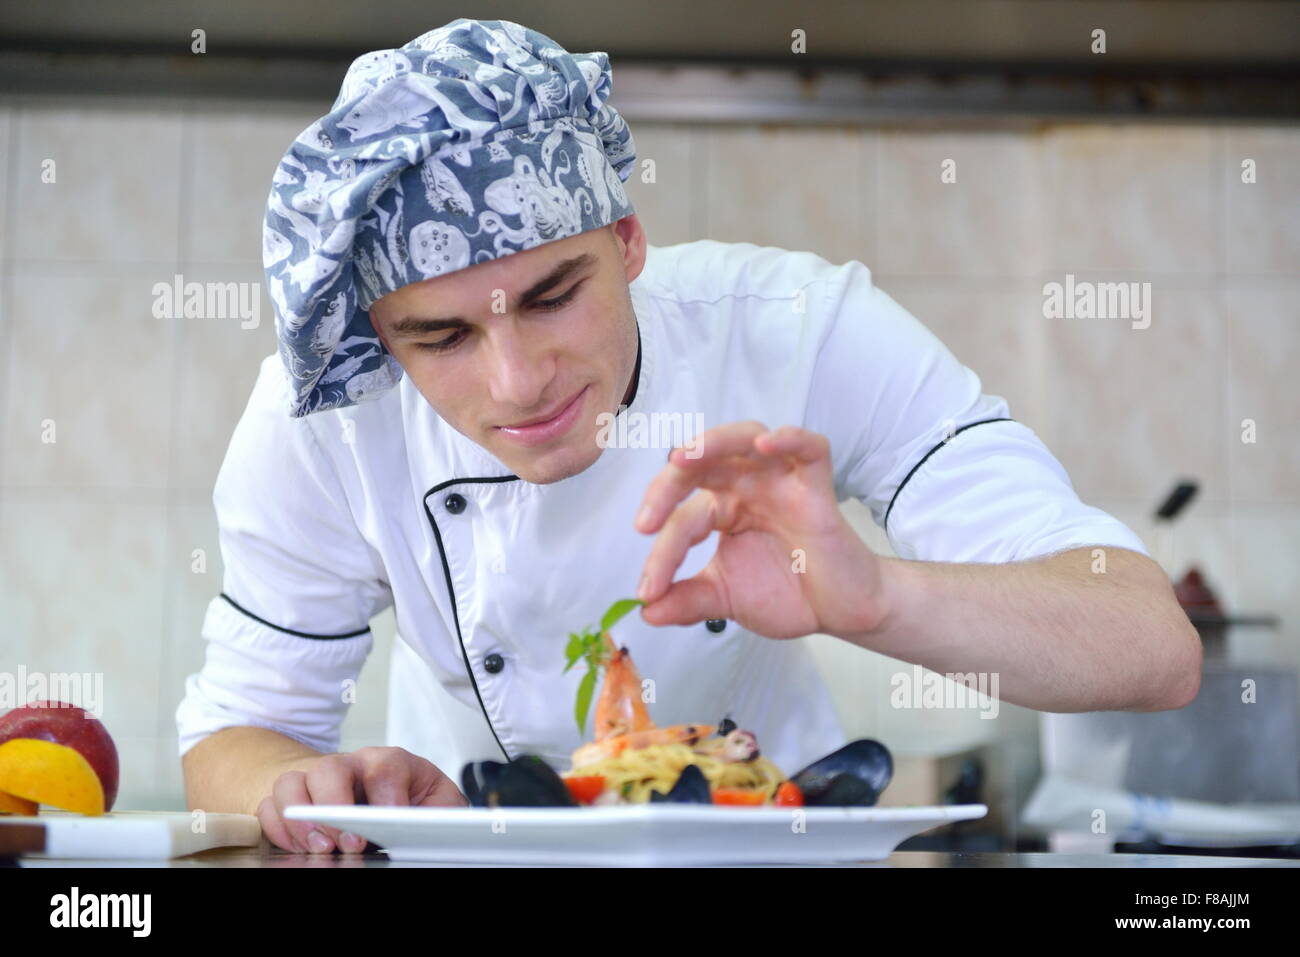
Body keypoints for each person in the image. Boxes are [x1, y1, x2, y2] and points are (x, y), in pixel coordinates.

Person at [177, 18, 1201, 854]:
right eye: (438, 337)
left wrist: (878, 598)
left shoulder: (794, 331)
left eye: (551, 296)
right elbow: (231, 735)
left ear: (626, 242)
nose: (515, 380)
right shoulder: (323, 419)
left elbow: (1149, 651)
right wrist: (295, 779)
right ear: (377, 340)